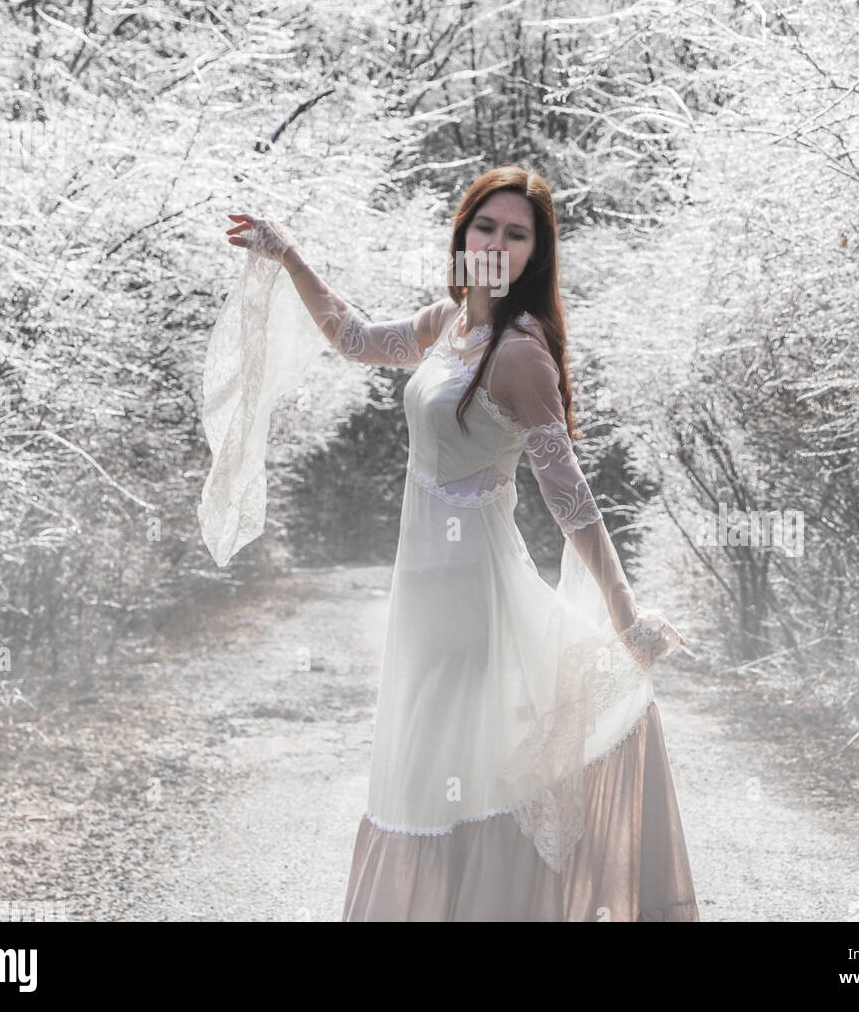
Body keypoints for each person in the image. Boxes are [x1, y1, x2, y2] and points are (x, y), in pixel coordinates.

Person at [207, 164, 700, 922]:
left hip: (474, 600)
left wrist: (625, 614)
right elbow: (356, 337)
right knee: (430, 778)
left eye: (516, 234)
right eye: (485, 226)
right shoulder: (451, 325)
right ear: (462, 233)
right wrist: (290, 256)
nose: (497, 244)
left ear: (535, 254)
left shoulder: (518, 354)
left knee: (444, 779)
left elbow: (571, 500)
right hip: (425, 600)